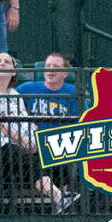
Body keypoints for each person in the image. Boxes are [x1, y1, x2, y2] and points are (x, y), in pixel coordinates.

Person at [0, 52, 73, 212]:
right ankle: (60, 198)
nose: (2, 63)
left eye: (6, 62)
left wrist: (32, 142)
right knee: (29, 161)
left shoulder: (15, 94)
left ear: (13, 71)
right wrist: (23, 141)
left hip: (20, 142)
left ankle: (63, 205)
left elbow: (25, 122)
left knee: (56, 154)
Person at [16, 52, 81, 212]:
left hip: (62, 143)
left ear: (65, 73)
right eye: (48, 66)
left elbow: (84, 119)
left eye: (56, 67)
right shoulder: (27, 89)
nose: (50, 70)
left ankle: (64, 204)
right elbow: (3, 97)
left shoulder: (73, 92)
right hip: (32, 144)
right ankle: (64, 202)